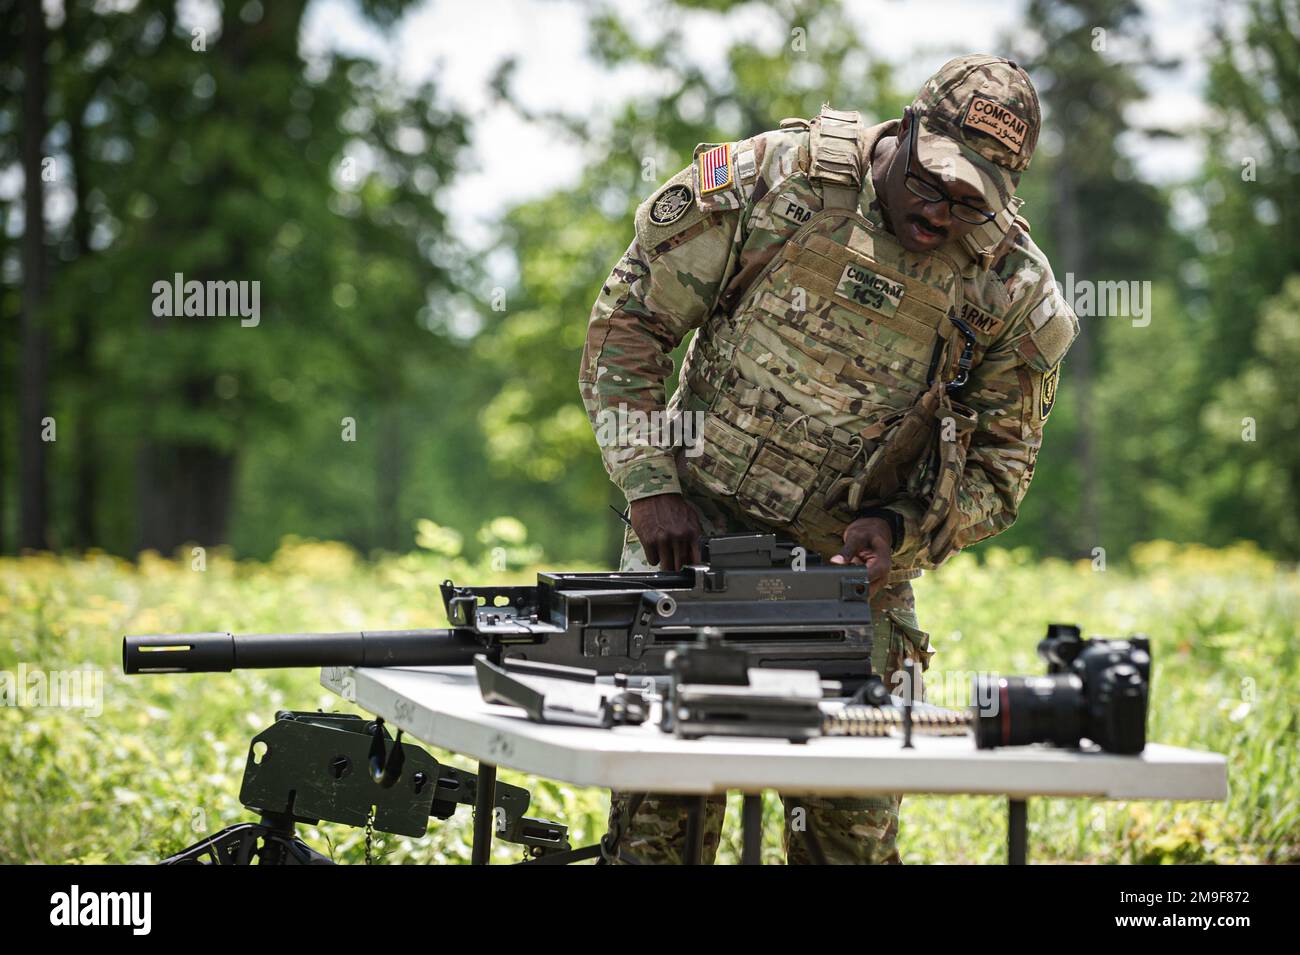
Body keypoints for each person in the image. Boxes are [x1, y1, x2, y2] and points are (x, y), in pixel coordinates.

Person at [579, 54, 1078, 864]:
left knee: (850, 824)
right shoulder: (772, 181)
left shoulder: (1009, 286)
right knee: (660, 825)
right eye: (929, 182)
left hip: (852, 575)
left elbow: (999, 467)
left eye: (970, 200)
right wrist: (648, 483)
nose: (940, 214)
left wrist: (900, 529)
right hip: (689, 534)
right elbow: (629, 326)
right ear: (907, 130)